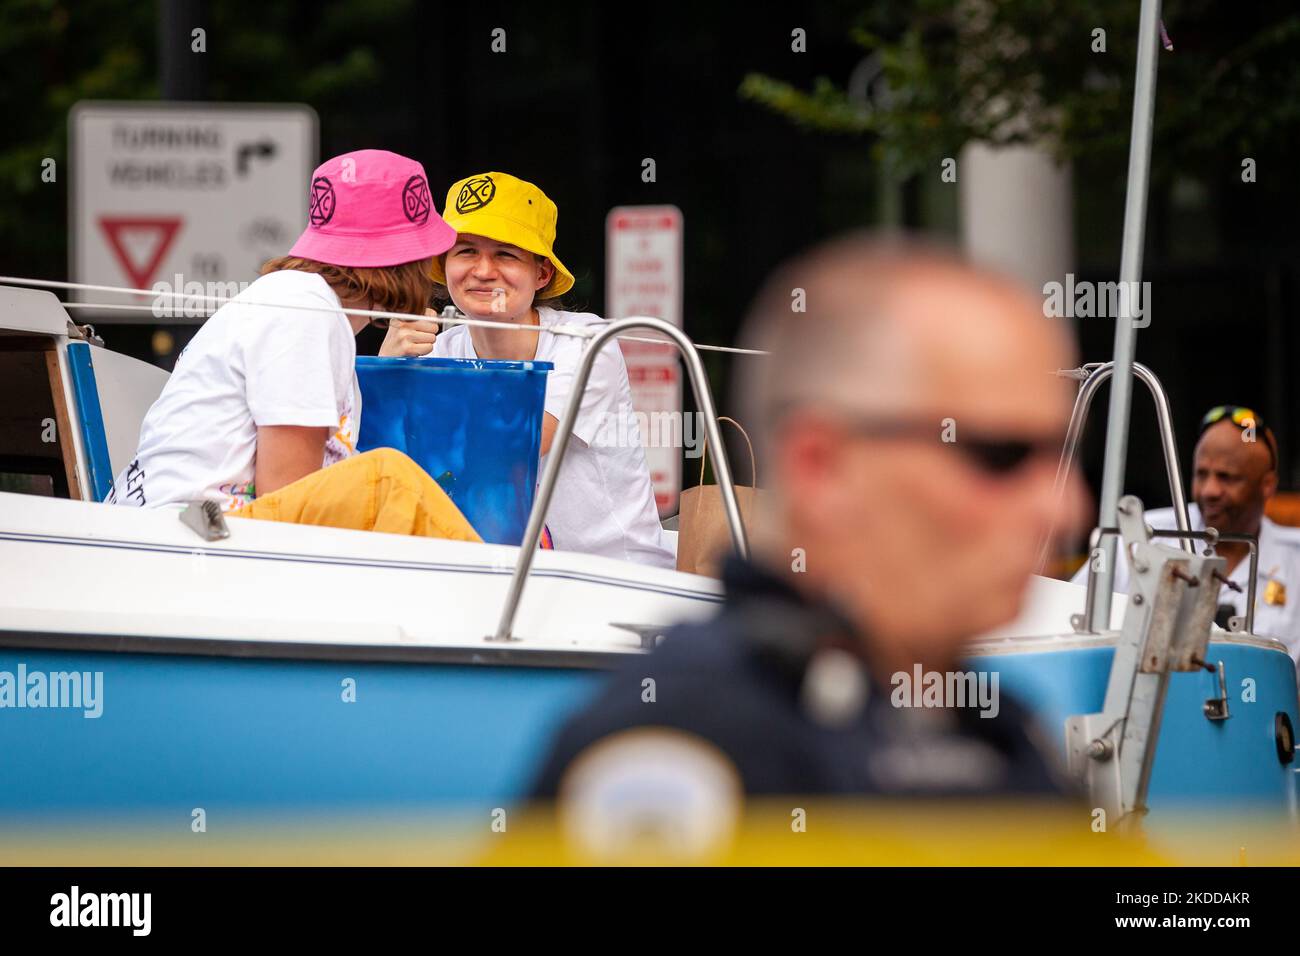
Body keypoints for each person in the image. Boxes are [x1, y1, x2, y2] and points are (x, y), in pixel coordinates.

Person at [530, 235, 1089, 807]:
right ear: (820, 465)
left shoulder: (997, 732)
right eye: (1000, 455)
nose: (1065, 506)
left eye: (1061, 453)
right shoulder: (686, 746)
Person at [108, 149, 482, 543]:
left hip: (187, 530)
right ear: (404, 255)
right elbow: (288, 497)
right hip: (192, 535)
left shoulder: (302, 303)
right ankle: (499, 590)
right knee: (388, 479)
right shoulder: (305, 311)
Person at [379, 172, 674, 568]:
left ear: (542, 273)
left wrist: (411, 396)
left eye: (506, 254)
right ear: (444, 265)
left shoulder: (587, 342)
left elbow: (512, 450)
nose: (483, 271)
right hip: (501, 574)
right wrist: (387, 370)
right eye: (466, 251)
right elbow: (383, 460)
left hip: (612, 578)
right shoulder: (442, 347)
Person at [1072, 405, 1300, 664]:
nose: (1210, 490)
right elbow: (1068, 616)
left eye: (1227, 477)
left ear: (1267, 485)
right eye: (1201, 474)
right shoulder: (1142, 537)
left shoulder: (1295, 560)